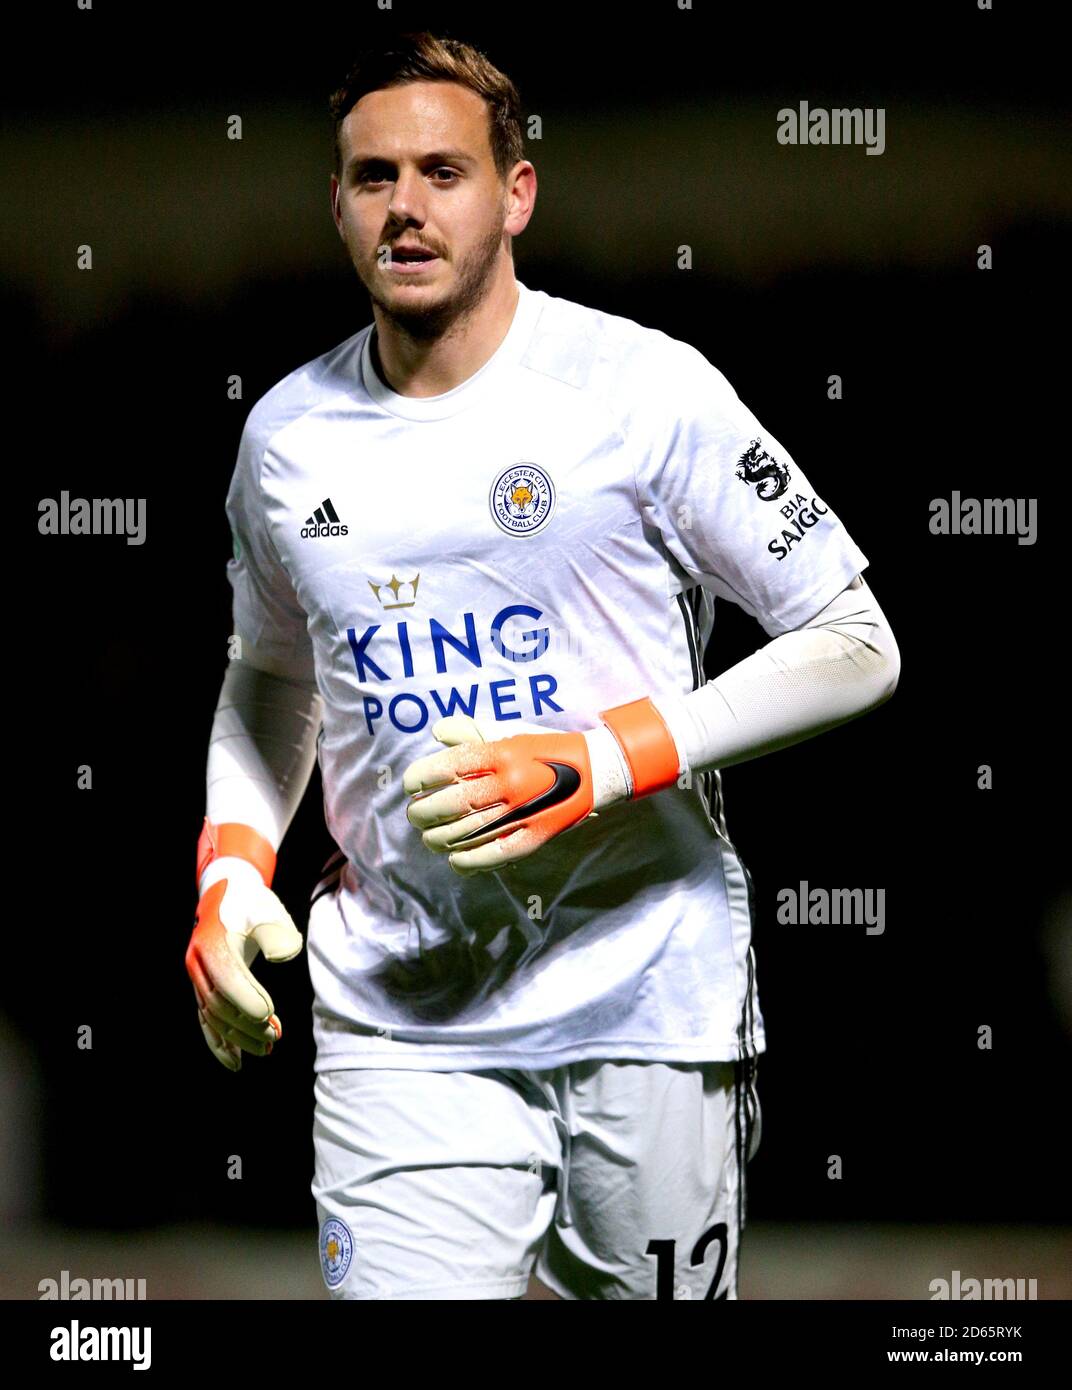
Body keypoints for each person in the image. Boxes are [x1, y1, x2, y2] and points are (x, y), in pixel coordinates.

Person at [185, 30, 900, 1301]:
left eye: (443, 172)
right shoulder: (285, 436)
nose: (406, 206)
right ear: (338, 208)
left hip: (651, 1000)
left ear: (515, 195)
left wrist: (601, 758)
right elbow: (275, 673)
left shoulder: (645, 391)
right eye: (371, 177)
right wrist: (231, 865)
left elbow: (853, 643)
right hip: (404, 1014)